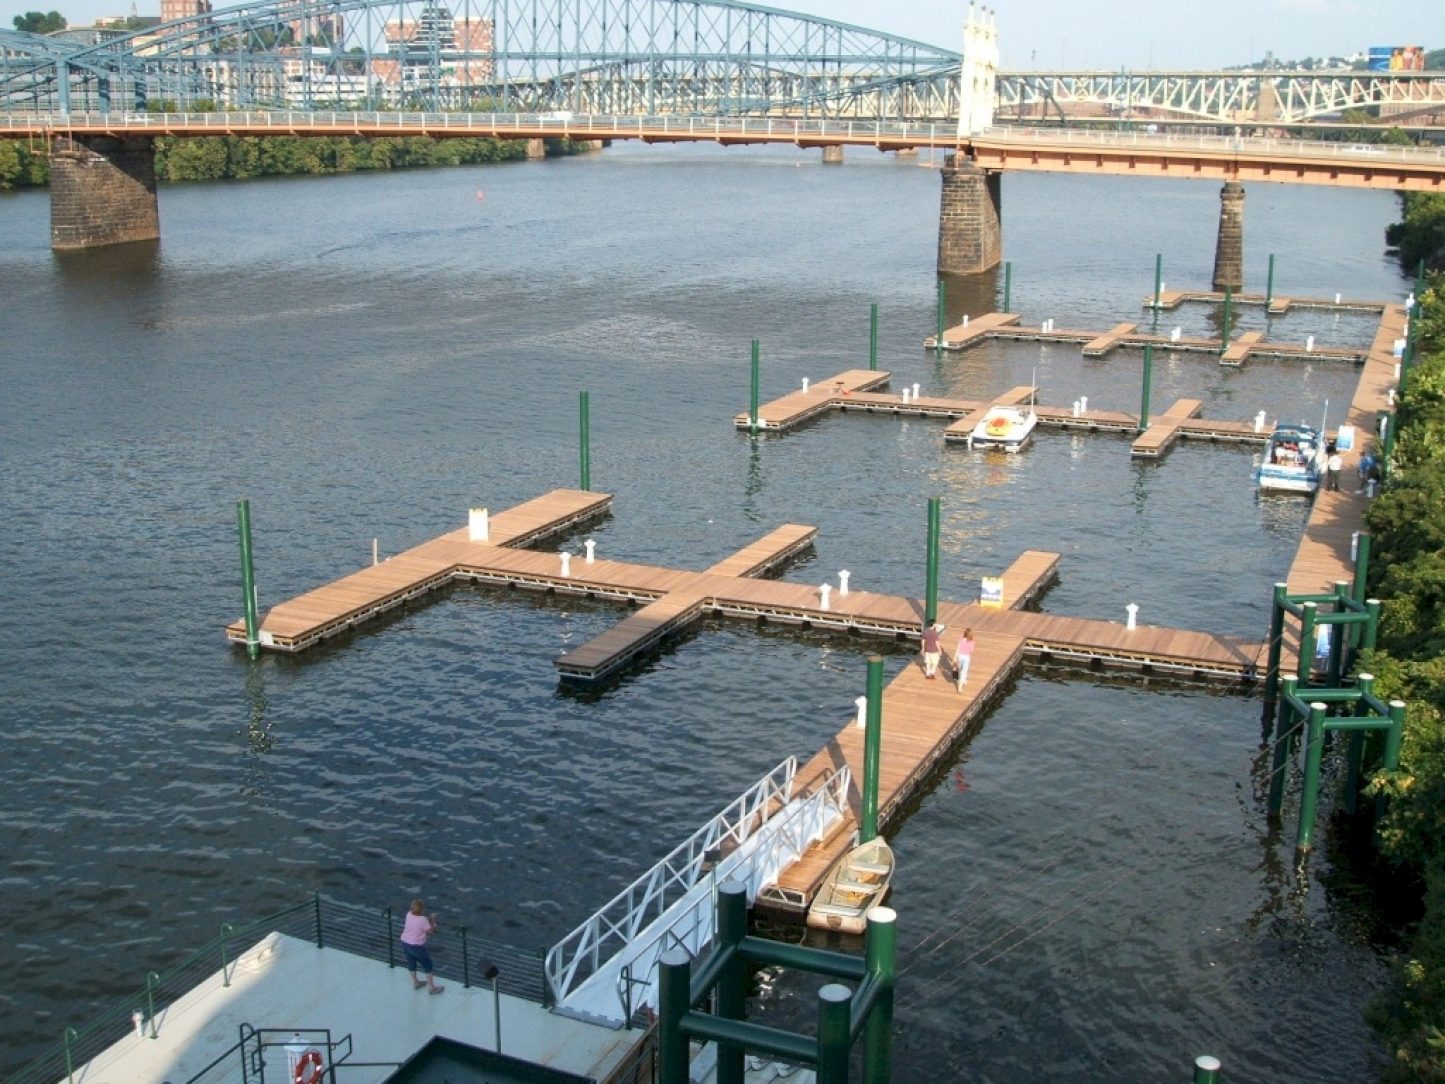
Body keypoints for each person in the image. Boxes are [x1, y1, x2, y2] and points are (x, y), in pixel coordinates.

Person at [400, 898, 444, 994]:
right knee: (428, 964)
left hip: (405, 942)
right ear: (421, 909)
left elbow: (417, 924)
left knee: (411, 962)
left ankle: (416, 982)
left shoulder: (409, 914)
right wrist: (433, 920)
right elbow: (430, 931)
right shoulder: (423, 920)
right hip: (416, 946)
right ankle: (431, 988)